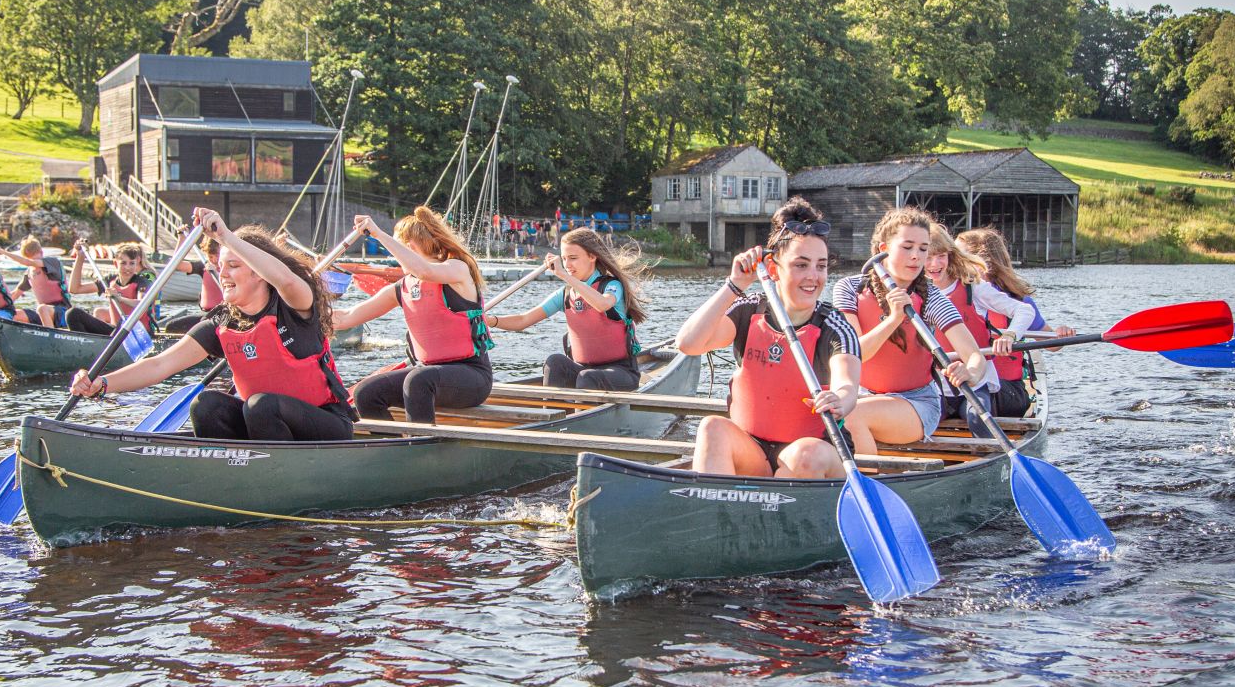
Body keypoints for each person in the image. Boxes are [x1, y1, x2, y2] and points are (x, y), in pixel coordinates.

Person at [70, 209, 355, 442]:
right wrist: (102, 384)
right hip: (266, 428)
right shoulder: (222, 321)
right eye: (221, 265)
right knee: (206, 405)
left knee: (261, 405)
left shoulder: (292, 304)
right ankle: (226, 475)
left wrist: (226, 236)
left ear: (258, 273)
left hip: (325, 425)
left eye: (233, 265)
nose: (223, 273)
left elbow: (287, 279)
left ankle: (272, 484)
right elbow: (160, 365)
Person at [676, 198, 861, 478]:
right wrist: (735, 285)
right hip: (754, 451)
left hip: (815, 454)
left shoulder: (835, 326)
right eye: (801, 265)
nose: (813, 276)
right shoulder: (748, 311)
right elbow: (688, 344)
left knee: (804, 456)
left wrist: (839, 399)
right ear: (774, 269)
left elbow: (847, 385)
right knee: (712, 428)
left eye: (821, 266)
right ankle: (717, 511)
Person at [834, 207, 989, 456]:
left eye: (923, 249)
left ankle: (872, 486)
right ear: (882, 249)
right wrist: (894, 318)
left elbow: (975, 357)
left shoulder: (932, 297)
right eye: (907, 247)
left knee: (852, 416)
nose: (917, 257)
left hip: (916, 403)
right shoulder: (849, 289)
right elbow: (854, 354)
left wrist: (969, 372)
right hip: (859, 395)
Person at [333, 206, 493, 423]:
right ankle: (389, 444)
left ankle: (419, 445)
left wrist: (379, 234)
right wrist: (301, 308)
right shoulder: (402, 287)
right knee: (367, 392)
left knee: (418, 380)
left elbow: (425, 271)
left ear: (408, 247)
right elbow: (345, 317)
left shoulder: (457, 269)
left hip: (472, 376)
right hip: (427, 374)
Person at [484, 227, 646, 391]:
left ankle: (581, 415)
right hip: (585, 370)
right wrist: (491, 321)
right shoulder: (566, 294)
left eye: (573, 258)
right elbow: (523, 320)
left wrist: (564, 275)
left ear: (592, 256)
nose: (567, 265)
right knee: (555, 362)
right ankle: (551, 414)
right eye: (564, 258)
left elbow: (602, 304)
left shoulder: (611, 286)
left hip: (620, 371)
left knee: (588, 377)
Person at [923, 223, 1034, 438]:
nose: (935, 264)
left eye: (941, 256)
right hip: (935, 384)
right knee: (925, 420)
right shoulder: (914, 291)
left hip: (975, 380)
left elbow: (1024, 311)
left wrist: (1009, 335)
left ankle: (990, 460)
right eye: (928, 257)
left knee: (977, 417)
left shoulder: (972, 287)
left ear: (951, 256)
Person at [954, 227, 1076, 417]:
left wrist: (1061, 335)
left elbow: (1052, 345)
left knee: (969, 392)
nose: (951, 262)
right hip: (966, 384)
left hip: (1006, 393)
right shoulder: (954, 295)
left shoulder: (1018, 302)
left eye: (958, 256)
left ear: (980, 263)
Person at [66, 240, 155, 336]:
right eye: (123, 263)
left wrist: (120, 298)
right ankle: (85, 344)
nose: (128, 268)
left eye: (132, 263)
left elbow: (142, 304)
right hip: (116, 332)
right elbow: (75, 289)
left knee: (120, 325)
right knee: (73, 314)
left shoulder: (142, 281)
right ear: (116, 264)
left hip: (139, 333)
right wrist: (80, 257)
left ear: (137, 263)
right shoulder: (110, 280)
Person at [0, 237, 72, 328]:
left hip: (63, 312)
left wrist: (2, 252)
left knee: (42, 309)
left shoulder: (53, 262)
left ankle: (50, 339)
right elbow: (15, 294)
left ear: (41, 252)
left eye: (34, 260)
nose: (33, 264)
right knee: (13, 315)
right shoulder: (30, 273)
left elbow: (28, 262)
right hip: (42, 312)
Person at [162, 235, 225, 334]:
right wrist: (181, 238)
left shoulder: (231, 268)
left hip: (224, 314)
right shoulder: (203, 266)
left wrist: (217, 272)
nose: (214, 260)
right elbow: (177, 264)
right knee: (171, 326)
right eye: (211, 256)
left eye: (217, 255)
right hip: (207, 314)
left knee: (203, 326)